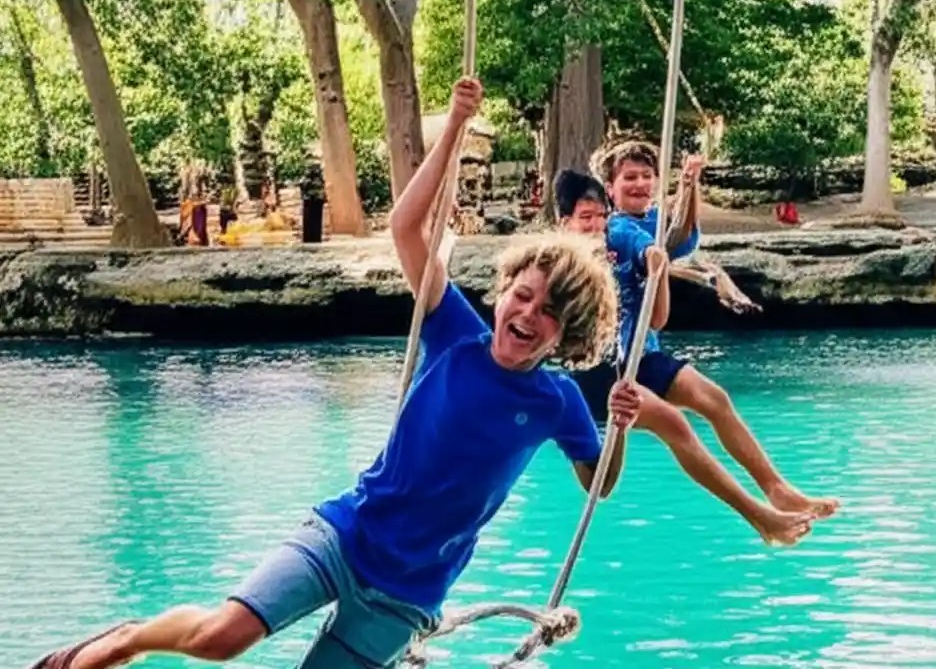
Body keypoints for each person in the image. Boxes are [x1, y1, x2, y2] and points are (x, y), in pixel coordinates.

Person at [30, 77, 642, 669]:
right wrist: (453, 126)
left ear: (569, 335)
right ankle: (123, 642)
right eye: (525, 296)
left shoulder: (556, 400)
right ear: (504, 290)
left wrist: (619, 430)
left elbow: (599, 484)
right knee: (223, 637)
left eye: (552, 314)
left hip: (409, 594)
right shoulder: (455, 331)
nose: (530, 316)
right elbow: (406, 228)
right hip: (347, 536)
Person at [556, 169, 814, 546]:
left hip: (636, 357)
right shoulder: (562, 262)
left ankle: (775, 489)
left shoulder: (617, 247)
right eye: (585, 218)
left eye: (600, 217)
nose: (596, 225)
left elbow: (657, 316)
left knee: (714, 399)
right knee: (674, 424)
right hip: (592, 373)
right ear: (564, 224)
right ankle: (759, 517)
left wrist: (659, 270)